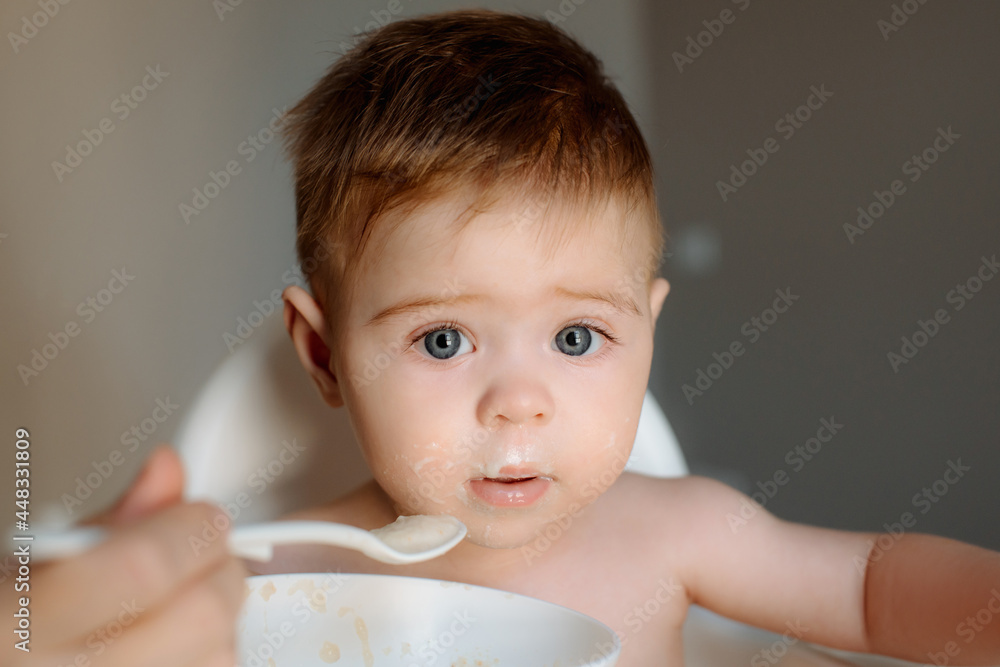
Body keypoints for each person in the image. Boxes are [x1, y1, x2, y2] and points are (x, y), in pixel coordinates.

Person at [6, 8, 998, 667]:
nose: (517, 401)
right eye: (443, 341)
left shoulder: (679, 534)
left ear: (646, 334)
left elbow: (870, 590)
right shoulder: (285, 577)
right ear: (323, 356)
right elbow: (100, 616)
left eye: (575, 337)